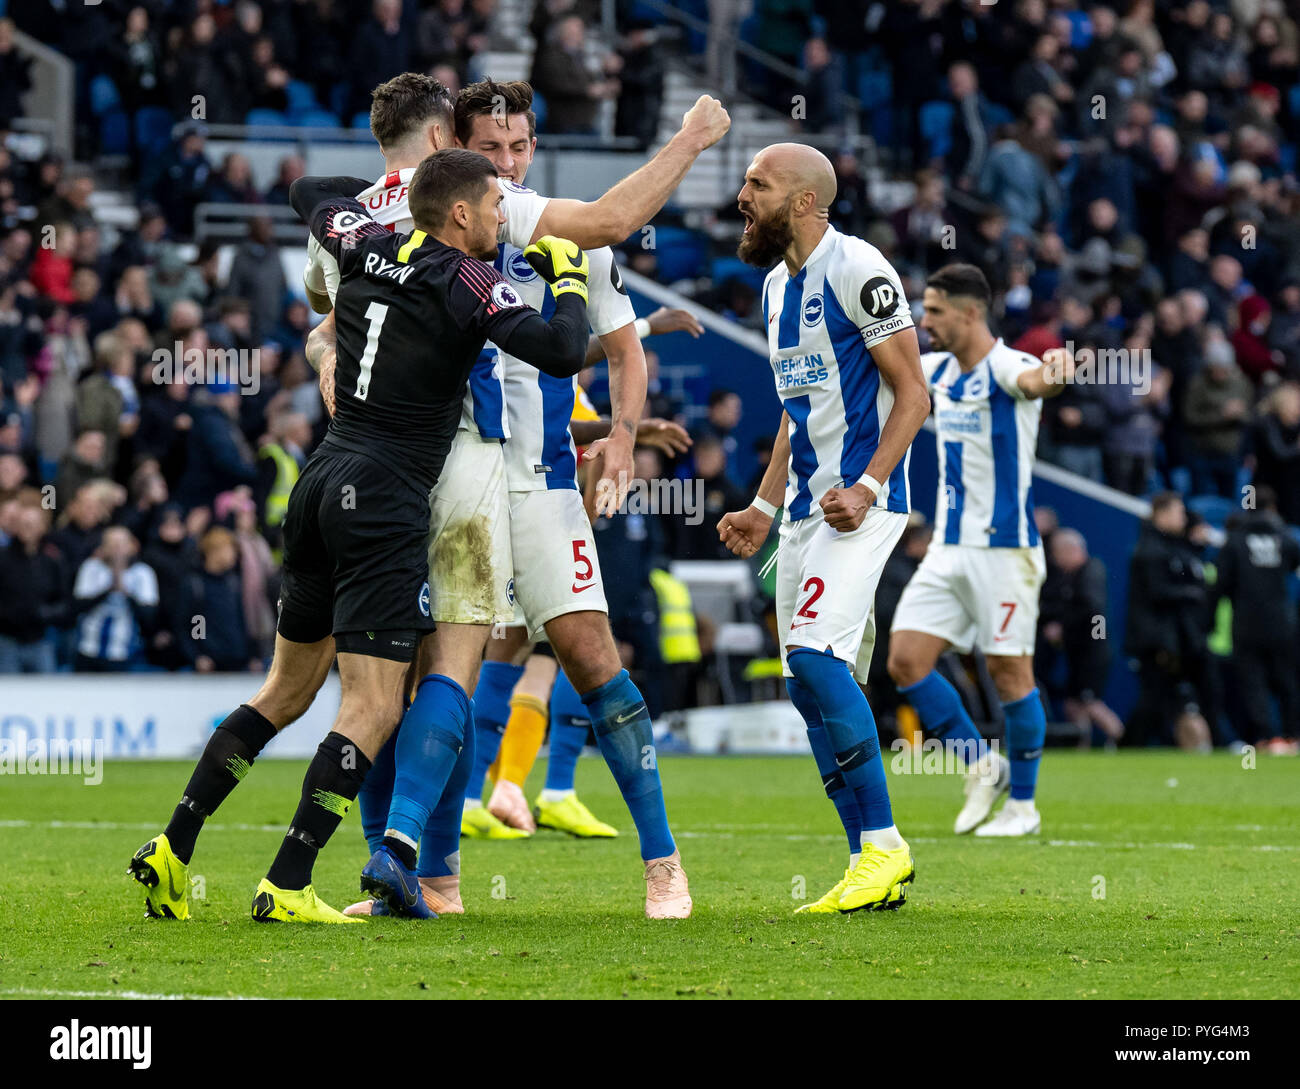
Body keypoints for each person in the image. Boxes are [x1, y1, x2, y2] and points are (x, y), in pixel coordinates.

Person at [127, 148, 591, 924]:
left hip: (319, 481)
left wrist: (388, 199)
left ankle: (174, 844)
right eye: (494, 204)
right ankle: (287, 881)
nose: (504, 217)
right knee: (373, 706)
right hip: (383, 500)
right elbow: (563, 349)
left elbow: (310, 186)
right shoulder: (466, 279)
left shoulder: (366, 241)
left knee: (284, 691)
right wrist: (568, 277)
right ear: (461, 214)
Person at [306, 74, 726, 917]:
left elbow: (621, 345)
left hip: (540, 478)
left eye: (519, 147)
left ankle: (663, 862)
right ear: (453, 153)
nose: (507, 164)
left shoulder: (540, 224)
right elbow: (329, 308)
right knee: (421, 669)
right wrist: (323, 344)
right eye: (489, 151)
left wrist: (620, 435)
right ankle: (432, 878)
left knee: (590, 655)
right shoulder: (417, 217)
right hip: (442, 468)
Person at [718, 142, 931, 914]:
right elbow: (795, 408)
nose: (743, 195)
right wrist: (764, 507)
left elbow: (913, 393)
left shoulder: (860, 268)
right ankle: (864, 864)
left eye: (757, 183)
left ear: (803, 201)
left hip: (863, 508)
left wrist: (870, 486)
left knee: (815, 657)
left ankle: (885, 844)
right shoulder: (776, 287)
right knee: (807, 688)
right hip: (806, 514)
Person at [886, 263, 1072, 837]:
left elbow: (1039, 382)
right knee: (905, 661)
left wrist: (1059, 372)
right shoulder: (936, 370)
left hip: (1004, 552)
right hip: (948, 546)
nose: (924, 320)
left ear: (971, 313)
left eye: (936, 310)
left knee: (1010, 673)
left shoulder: (1009, 366)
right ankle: (981, 764)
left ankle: (1023, 806)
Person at [1214, 486, 1300, 754]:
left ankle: (1265, 738)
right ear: (1272, 507)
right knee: (1287, 681)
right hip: (1282, 622)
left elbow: (1221, 584)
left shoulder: (1236, 540)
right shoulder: (1285, 537)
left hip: (1247, 623)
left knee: (1254, 683)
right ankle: (1293, 736)